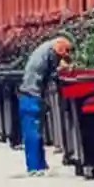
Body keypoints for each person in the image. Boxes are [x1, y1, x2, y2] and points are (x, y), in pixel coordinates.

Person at [17, 34, 74, 176]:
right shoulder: (50, 52)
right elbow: (53, 73)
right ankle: (35, 167)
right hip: (31, 96)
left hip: (29, 95)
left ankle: (40, 165)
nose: (63, 59)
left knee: (36, 132)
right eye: (64, 54)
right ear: (60, 49)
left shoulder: (45, 50)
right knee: (34, 133)